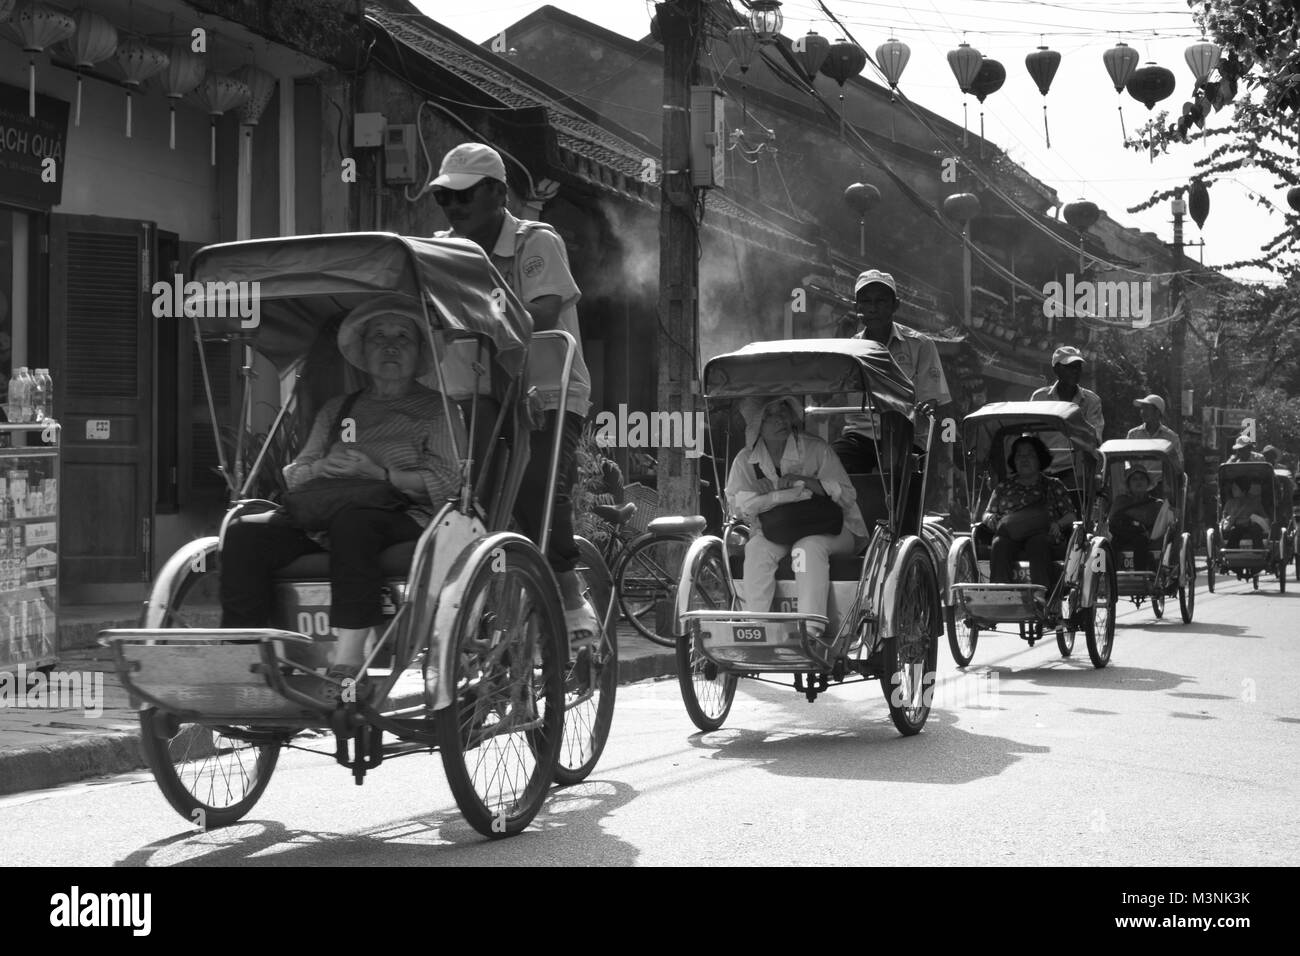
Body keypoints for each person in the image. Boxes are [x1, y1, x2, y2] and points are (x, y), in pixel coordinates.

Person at [219, 296, 466, 691]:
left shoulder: (439, 411)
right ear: (363, 352)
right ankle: (248, 655)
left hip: (402, 515)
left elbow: (449, 481)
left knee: (354, 522)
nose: (390, 346)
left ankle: (349, 657)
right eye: (378, 337)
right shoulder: (339, 408)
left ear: (419, 352)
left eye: (403, 337)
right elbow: (297, 473)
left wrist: (382, 474)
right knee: (245, 532)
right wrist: (322, 468)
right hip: (324, 512)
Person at [431, 141, 599, 647]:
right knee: (463, 497)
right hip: (479, 392)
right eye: (445, 199)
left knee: (536, 490)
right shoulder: (444, 249)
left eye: (464, 197)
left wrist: (468, 311)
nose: (454, 208)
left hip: (547, 393)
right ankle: (474, 614)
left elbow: (542, 313)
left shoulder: (535, 242)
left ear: (498, 194)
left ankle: (571, 597)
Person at [727, 396, 867, 640]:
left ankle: (811, 631)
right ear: (757, 424)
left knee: (806, 547)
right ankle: (755, 628)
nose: (780, 418)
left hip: (836, 530)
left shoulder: (815, 449)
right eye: (770, 414)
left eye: (783, 411)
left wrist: (810, 484)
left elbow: (848, 495)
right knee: (756, 549)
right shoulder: (745, 461)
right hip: (779, 531)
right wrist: (773, 495)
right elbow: (737, 507)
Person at [832, 270, 950, 479]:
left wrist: (925, 406)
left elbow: (930, 399)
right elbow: (824, 395)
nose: (873, 308)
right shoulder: (847, 346)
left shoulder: (921, 345)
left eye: (881, 301)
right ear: (856, 307)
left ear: (895, 305)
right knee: (832, 469)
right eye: (866, 301)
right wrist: (838, 343)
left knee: (904, 483)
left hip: (905, 435)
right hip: (859, 435)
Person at [981, 435, 1078, 599]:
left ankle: (1041, 596)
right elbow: (987, 513)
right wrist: (992, 520)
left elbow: (1071, 515)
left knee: (1037, 543)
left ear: (1040, 458)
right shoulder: (1004, 486)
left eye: (1030, 454)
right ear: (1014, 460)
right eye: (1020, 455)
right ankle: (1000, 596)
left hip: (1042, 534)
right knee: (999, 544)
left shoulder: (1053, 485)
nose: (1024, 459)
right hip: (1010, 534)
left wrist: (1059, 524)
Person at [1029, 345, 1104, 492]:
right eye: (1069, 366)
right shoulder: (1039, 398)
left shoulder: (1091, 401)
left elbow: (1094, 438)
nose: (1076, 371)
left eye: (1078, 366)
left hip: (1075, 472)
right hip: (1042, 470)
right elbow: (1029, 434)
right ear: (1056, 369)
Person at [1107, 468, 1170, 572]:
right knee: (1110, 545)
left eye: (1141, 479)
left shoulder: (1157, 504)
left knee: (1140, 541)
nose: (1138, 482)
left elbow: (1161, 526)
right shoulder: (1120, 501)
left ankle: (1140, 574)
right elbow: (1113, 521)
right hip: (1122, 535)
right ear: (1129, 484)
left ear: (1147, 483)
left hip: (1144, 537)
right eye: (1134, 479)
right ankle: (1111, 576)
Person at [1127, 394, 1183, 470]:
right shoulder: (1133, 434)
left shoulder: (1171, 438)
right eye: (1142, 408)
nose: (1143, 412)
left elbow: (1178, 465)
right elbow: (1126, 461)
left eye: (1147, 409)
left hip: (1162, 481)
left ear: (1157, 412)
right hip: (1138, 480)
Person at [1220, 477, 1270, 547]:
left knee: (1255, 529)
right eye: (1232, 488)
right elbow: (1224, 519)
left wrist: (1256, 520)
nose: (1233, 490)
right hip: (1236, 526)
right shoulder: (1230, 503)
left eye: (1235, 488)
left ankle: (1258, 552)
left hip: (1252, 526)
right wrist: (1230, 519)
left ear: (1243, 491)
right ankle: (1231, 552)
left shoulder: (1254, 503)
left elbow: (1265, 518)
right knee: (1235, 531)